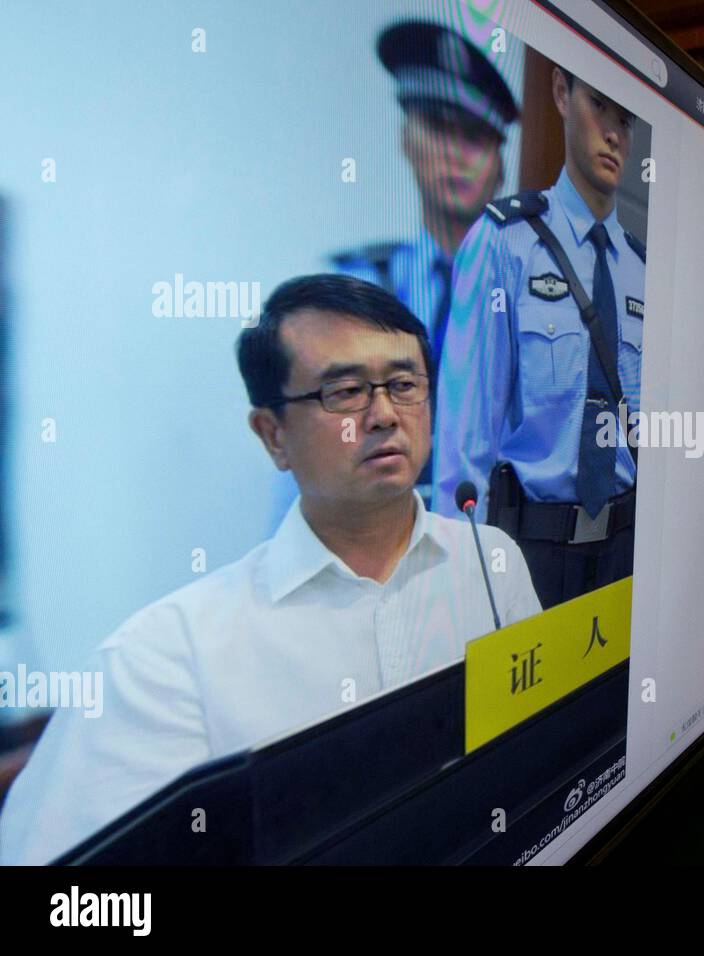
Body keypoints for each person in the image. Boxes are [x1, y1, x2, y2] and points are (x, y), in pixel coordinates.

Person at [0, 275, 541, 865]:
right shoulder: (165, 657)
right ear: (273, 435)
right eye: (345, 392)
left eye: (404, 384)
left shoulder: (489, 562)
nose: (384, 413)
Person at [432, 67, 646, 609]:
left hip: (626, 550)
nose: (615, 133)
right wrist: (460, 587)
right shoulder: (505, 240)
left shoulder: (644, 270)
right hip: (532, 555)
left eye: (625, 119)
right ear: (561, 93)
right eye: (600, 105)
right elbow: (466, 436)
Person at [328, 19, 518, 508]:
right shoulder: (354, 288)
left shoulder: (529, 297)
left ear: (500, 163)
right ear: (407, 139)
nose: (454, 154)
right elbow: (312, 477)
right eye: (437, 128)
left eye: (474, 137)